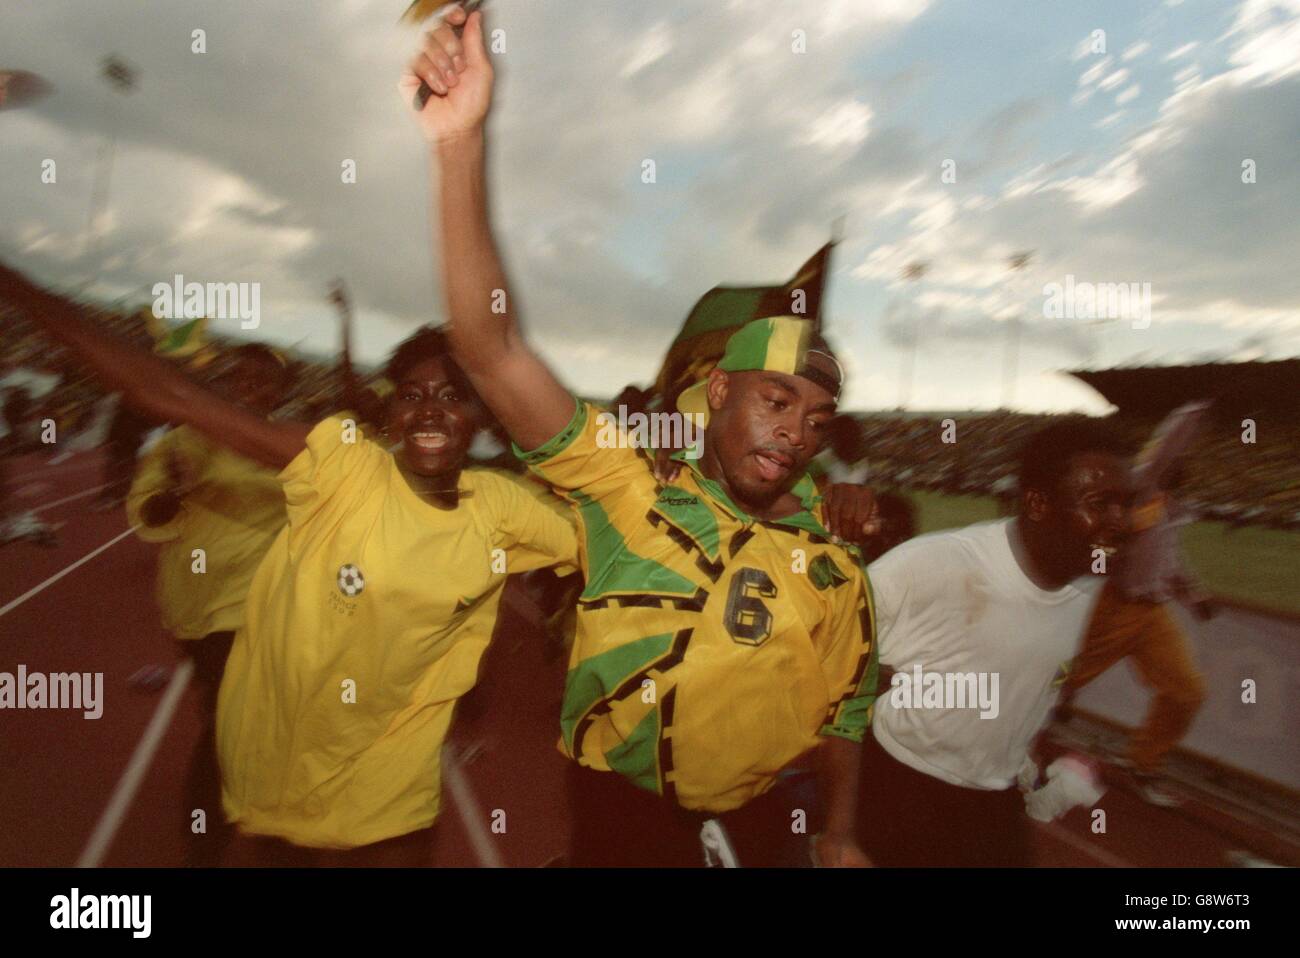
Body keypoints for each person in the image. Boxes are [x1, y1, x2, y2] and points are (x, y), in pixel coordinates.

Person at [404, 6, 878, 867]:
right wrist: (457, 145)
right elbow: (488, 346)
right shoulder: (631, 484)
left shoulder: (837, 559)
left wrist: (840, 831)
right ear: (721, 388)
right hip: (619, 813)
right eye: (776, 398)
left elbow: (846, 708)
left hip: (762, 821)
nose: (797, 432)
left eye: (817, 421)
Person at [0, 263, 578, 865]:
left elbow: (621, 525)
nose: (430, 410)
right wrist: (22, 289)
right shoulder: (345, 464)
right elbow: (164, 392)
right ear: (392, 407)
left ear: (483, 415)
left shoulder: (507, 508)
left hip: (393, 798)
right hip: (284, 770)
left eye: (455, 396)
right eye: (412, 394)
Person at [857, 420, 1132, 866]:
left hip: (995, 797)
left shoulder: (1093, 584)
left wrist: (1024, 753)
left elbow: (1039, 677)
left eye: (1127, 503)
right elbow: (826, 650)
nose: (1121, 522)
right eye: (1100, 503)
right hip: (900, 784)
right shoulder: (932, 565)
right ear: (1039, 504)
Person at [124, 343, 294, 865]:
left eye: (264, 382)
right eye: (242, 379)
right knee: (229, 717)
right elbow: (147, 515)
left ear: (279, 393)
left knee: (243, 716)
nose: (252, 389)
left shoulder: (287, 449)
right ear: (227, 382)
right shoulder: (188, 440)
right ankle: (209, 832)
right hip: (203, 606)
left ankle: (234, 832)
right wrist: (173, 493)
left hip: (261, 608)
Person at [1060, 403, 1214, 807]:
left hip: (1153, 616)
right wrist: (1198, 408)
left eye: (1185, 464)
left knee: (1188, 692)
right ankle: (1013, 729)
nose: (1183, 465)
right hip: (1116, 607)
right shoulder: (1140, 490)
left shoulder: (1170, 511)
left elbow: (1172, 562)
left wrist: (1195, 596)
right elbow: (1166, 447)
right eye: (1178, 461)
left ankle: (1143, 763)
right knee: (1061, 679)